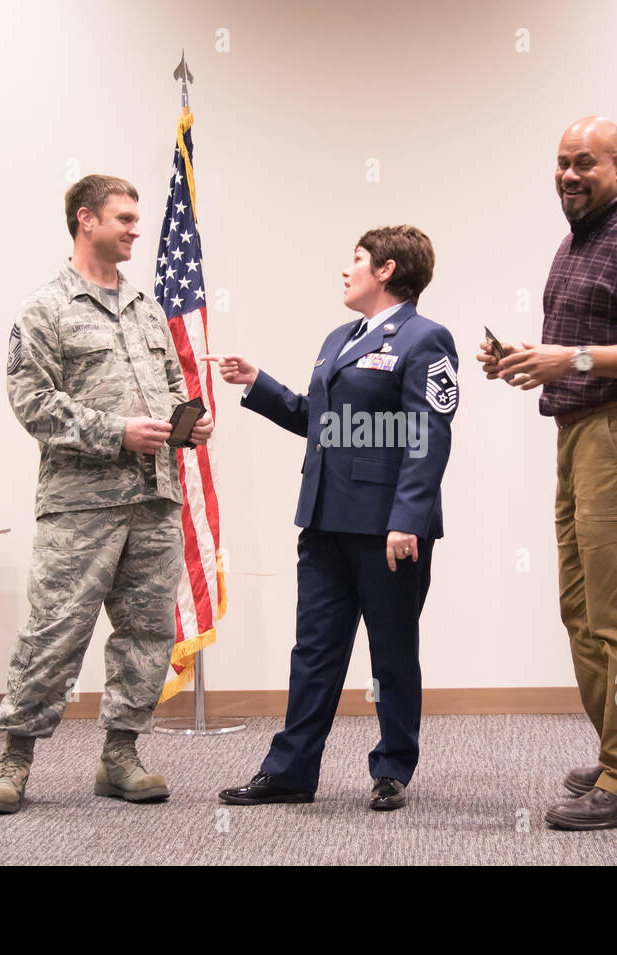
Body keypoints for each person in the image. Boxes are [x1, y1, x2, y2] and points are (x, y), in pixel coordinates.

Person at [479, 117, 617, 830]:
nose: (570, 175)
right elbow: (579, 344)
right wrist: (525, 357)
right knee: (583, 610)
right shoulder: (579, 241)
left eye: (585, 164)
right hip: (580, 436)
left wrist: (566, 359)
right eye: (562, 164)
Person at [0, 174, 213, 815]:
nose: (137, 228)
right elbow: (32, 402)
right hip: (81, 505)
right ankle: (14, 760)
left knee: (146, 633)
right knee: (54, 632)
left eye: (138, 219)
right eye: (125, 218)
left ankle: (121, 756)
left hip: (155, 497)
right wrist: (117, 432)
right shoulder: (45, 309)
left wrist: (188, 424)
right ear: (86, 220)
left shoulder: (146, 310)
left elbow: (169, 386)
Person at [208, 225, 457, 812]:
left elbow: (428, 434)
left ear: (388, 270)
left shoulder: (425, 339)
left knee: (392, 651)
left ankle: (393, 768)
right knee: (314, 651)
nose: (346, 271)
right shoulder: (340, 337)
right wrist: (258, 384)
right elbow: (319, 420)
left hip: (386, 528)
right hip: (324, 521)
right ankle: (291, 770)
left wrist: (408, 519)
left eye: (357, 260)